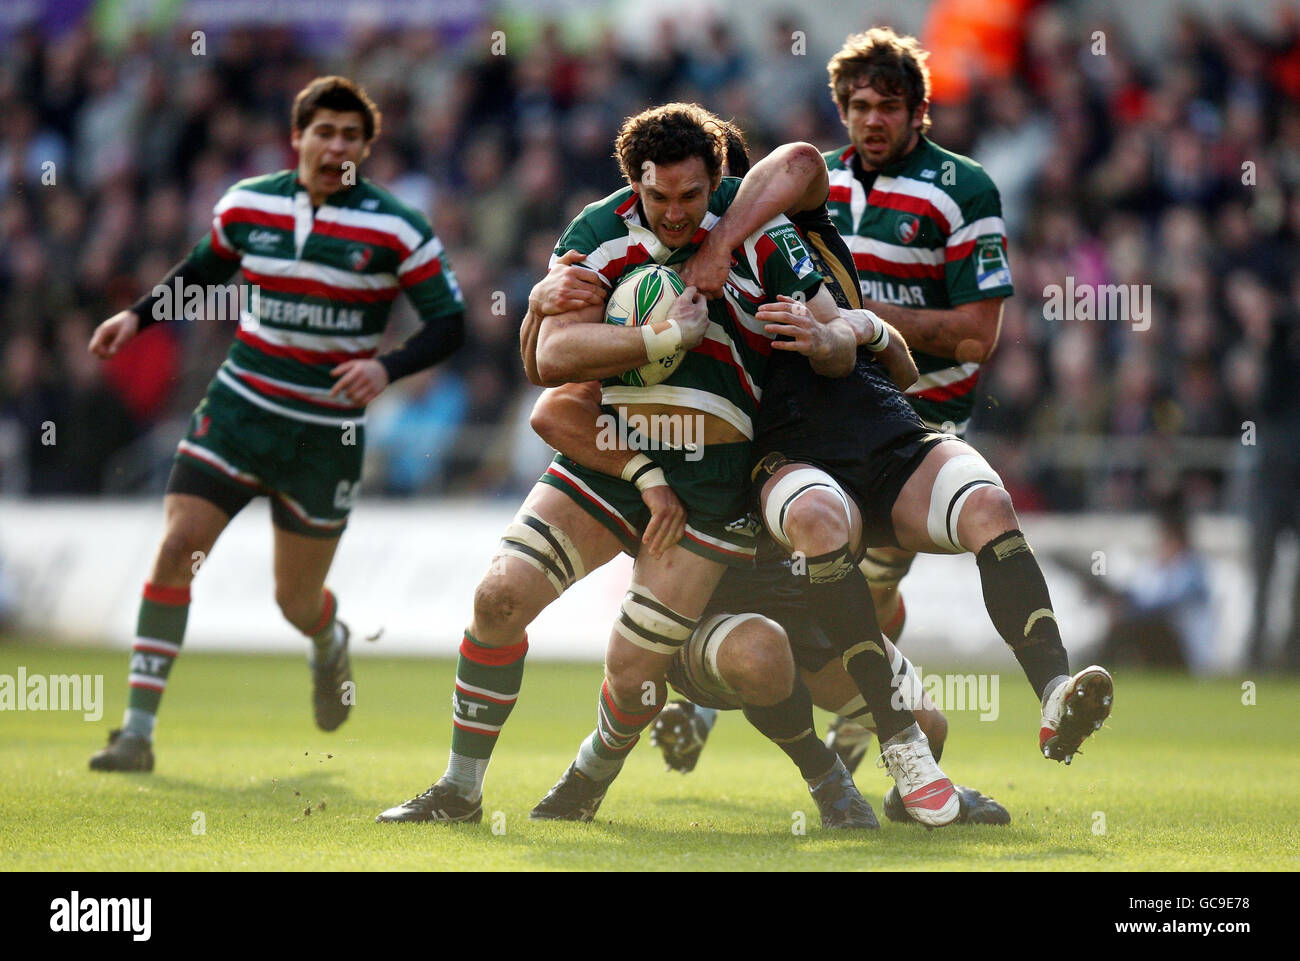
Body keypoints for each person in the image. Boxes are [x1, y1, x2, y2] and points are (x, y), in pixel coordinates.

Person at [375, 103, 875, 825]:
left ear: (719, 182)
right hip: (614, 452)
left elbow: (801, 163)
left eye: (692, 196)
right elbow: (549, 360)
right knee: (498, 598)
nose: (675, 214)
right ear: (632, 184)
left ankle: (589, 777)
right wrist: (655, 337)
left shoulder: (756, 223)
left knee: (637, 669)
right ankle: (458, 790)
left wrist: (813, 317)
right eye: (658, 196)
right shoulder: (598, 231)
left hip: (713, 479)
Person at [681, 28, 1110, 775]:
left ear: (920, 112)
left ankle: (1044, 692)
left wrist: (856, 320)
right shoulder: (814, 189)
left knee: (892, 576)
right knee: (824, 588)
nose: (871, 120)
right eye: (857, 105)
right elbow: (779, 171)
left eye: (888, 106)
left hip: (919, 423)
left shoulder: (962, 186)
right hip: (818, 431)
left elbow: (976, 335)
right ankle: (736, 705)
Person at [86, 76, 465, 772]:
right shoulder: (246, 204)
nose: (337, 145)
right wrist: (135, 316)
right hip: (238, 411)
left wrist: (386, 367)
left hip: (323, 436)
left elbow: (449, 323)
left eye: (352, 136)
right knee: (178, 547)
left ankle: (328, 641)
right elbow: (202, 271)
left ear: (366, 148)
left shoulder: (397, 227)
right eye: (325, 131)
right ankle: (136, 732)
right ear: (298, 138)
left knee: (294, 600)